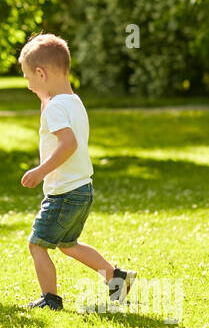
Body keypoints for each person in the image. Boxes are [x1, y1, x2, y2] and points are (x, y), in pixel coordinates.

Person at [17, 33, 136, 310]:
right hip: (82, 190)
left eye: (27, 77)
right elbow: (59, 120)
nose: (27, 84)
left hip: (63, 194)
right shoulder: (72, 102)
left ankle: (51, 300)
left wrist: (40, 171)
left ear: (40, 73)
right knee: (68, 244)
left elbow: (68, 144)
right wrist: (42, 97)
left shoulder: (56, 109)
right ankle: (116, 278)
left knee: (37, 245)